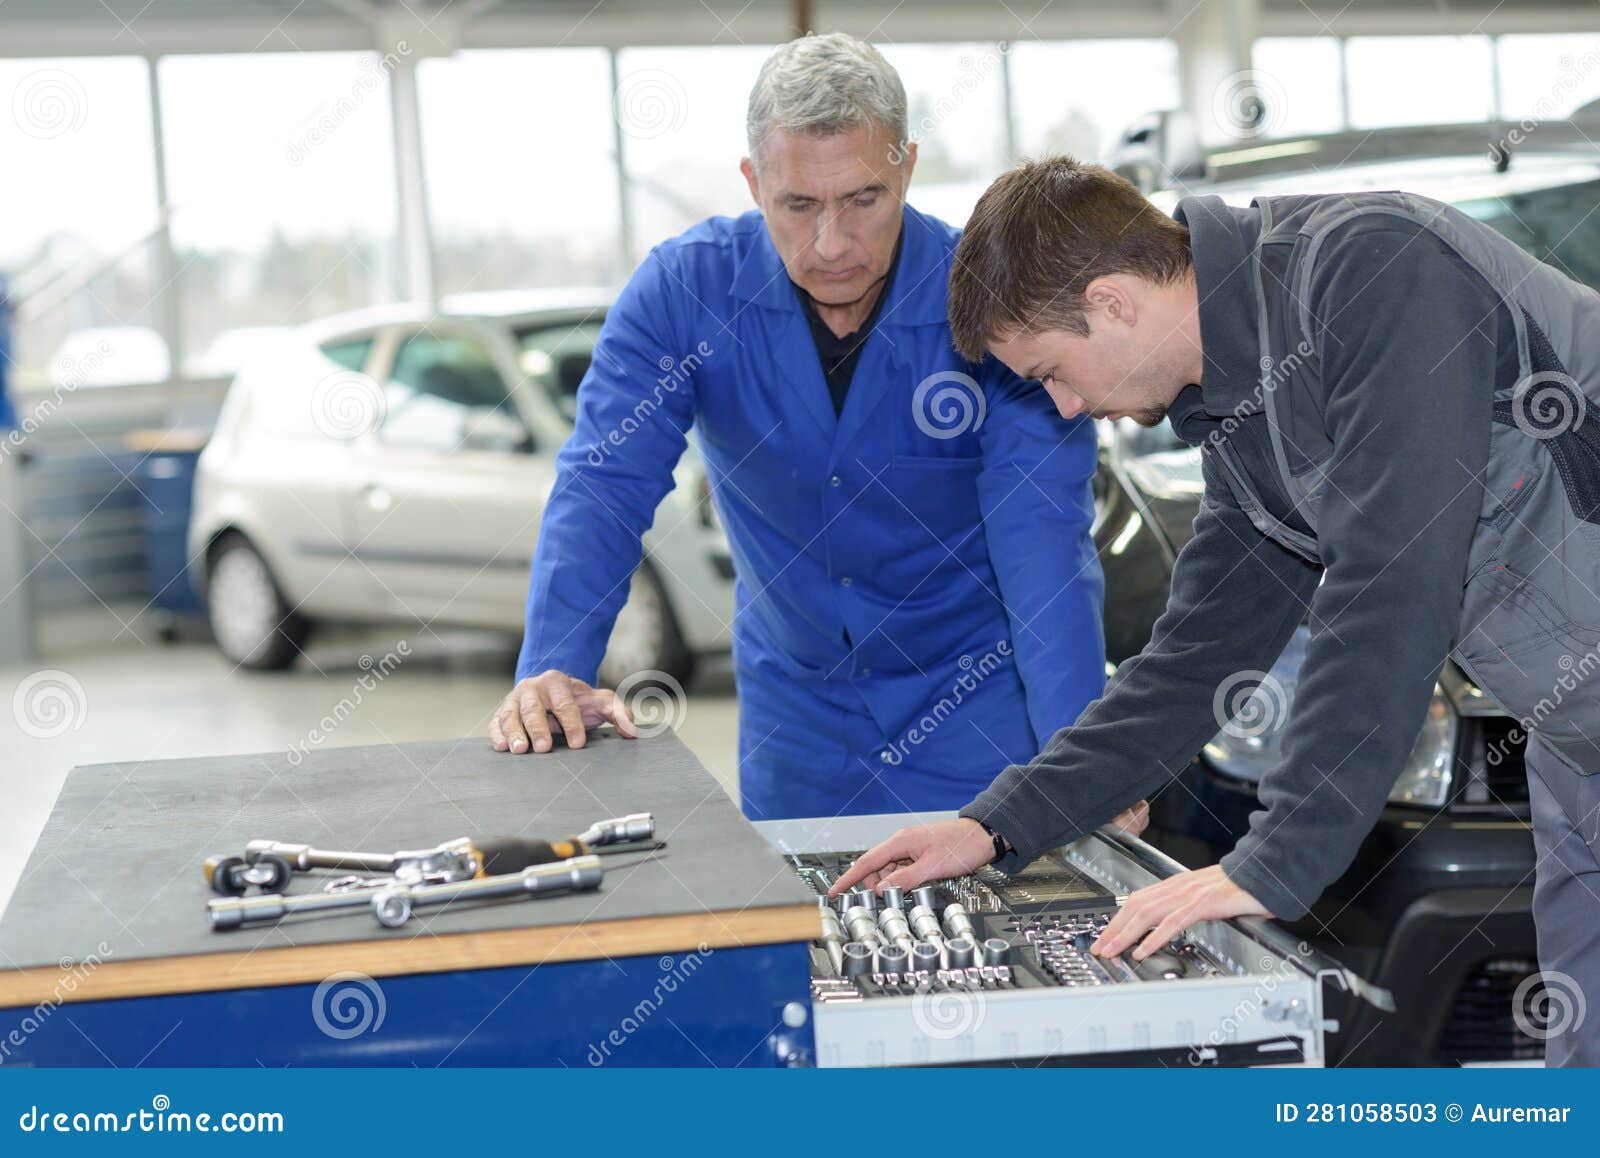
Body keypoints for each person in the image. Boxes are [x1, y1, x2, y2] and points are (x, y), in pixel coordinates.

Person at [830, 156, 1600, 1066]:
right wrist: (998, 823)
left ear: (1114, 302)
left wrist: (1271, 862)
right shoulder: (1241, 415)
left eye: (1051, 372)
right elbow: (1198, 654)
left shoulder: (1377, 269)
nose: (1068, 406)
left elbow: (1392, 581)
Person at [489, 36, 1114, 825]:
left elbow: (1044, 539)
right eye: (798, 205)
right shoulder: (685, 294)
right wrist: (554, 668)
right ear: (753, 182)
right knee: (801, 945)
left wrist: (1084, 758)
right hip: (797, 729)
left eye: (863, 200)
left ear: (907, 166)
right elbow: (604, 485)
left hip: (976, 711)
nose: (832, 245)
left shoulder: (993, 306)